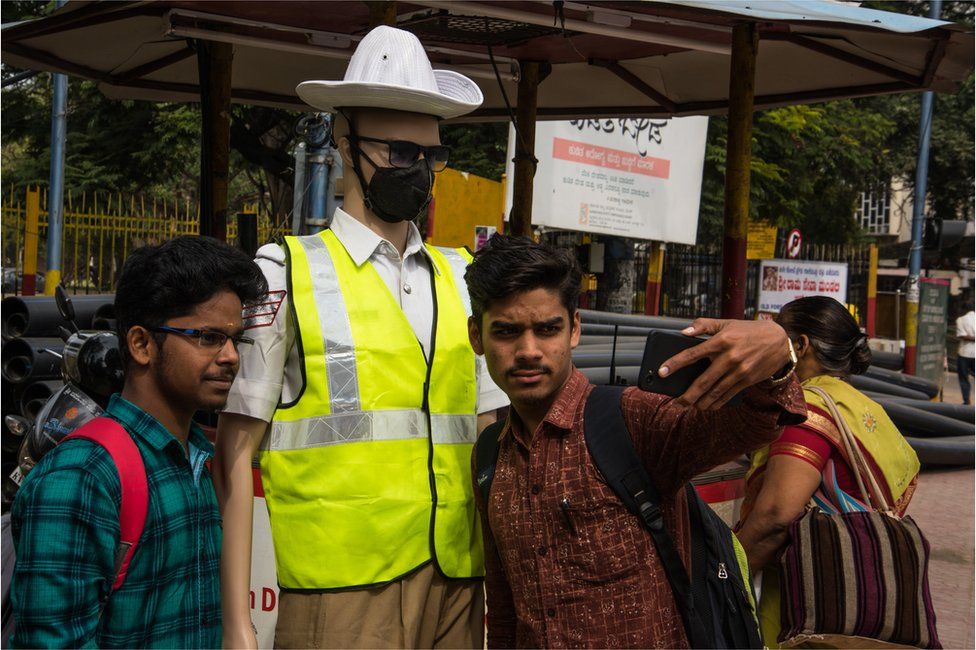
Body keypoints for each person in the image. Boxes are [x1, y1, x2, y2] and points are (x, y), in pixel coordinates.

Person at [215, 25, 508, 649]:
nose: (421, 172)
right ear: (347, 146)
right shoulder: (285, 272)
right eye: (402, 153)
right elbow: (235, 454)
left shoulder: (465, 279)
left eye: (432, 156)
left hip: (459, 578)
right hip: (339, 589)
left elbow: (490, 441)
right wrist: (237, 622)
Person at [464, 235, 806, 648]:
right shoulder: (489, 456)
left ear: (574, 329)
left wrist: (778, 352)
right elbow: (504, 608)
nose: (528, 350)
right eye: (506, 332)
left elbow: (755, 423)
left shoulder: (630, 420)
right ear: (476, 336)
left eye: (547, 329)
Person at [10, 236, 267, 648]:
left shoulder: (194, 459)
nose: (231, 356)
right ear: (142, 344)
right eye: (208, 337)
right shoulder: (81, 478)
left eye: (236, 339)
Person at [735, 295, 920, 647]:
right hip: (864, 587)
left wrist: (722, 573)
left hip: (804, 597)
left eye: (778, 338)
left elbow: (776, 517)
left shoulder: (808, 412)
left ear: (800, 345)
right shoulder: (868, 410)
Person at [955, 296, 974, 405]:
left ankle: (966, 401)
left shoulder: (960, 320)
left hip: (964, 353)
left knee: (963, 378)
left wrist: (971, 337)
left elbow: (962, 336)